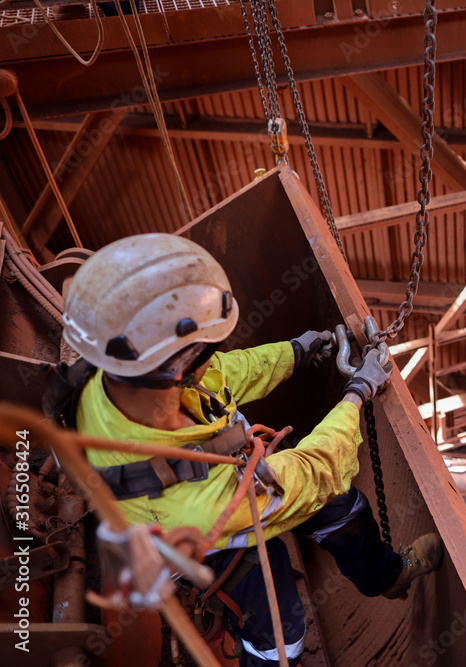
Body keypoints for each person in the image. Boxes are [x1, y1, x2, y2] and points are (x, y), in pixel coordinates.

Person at [51, 233, 444, 666]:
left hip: (220, 490)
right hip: (204, 534)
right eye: (204, 351)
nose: (211, 360)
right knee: (281, 630)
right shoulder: (199, 500)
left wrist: (296, 352)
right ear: (174, 364)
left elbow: (219, 375)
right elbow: (314, 469)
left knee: (342, 508)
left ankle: (384, 576)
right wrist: (358, 392)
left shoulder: (125, 378)